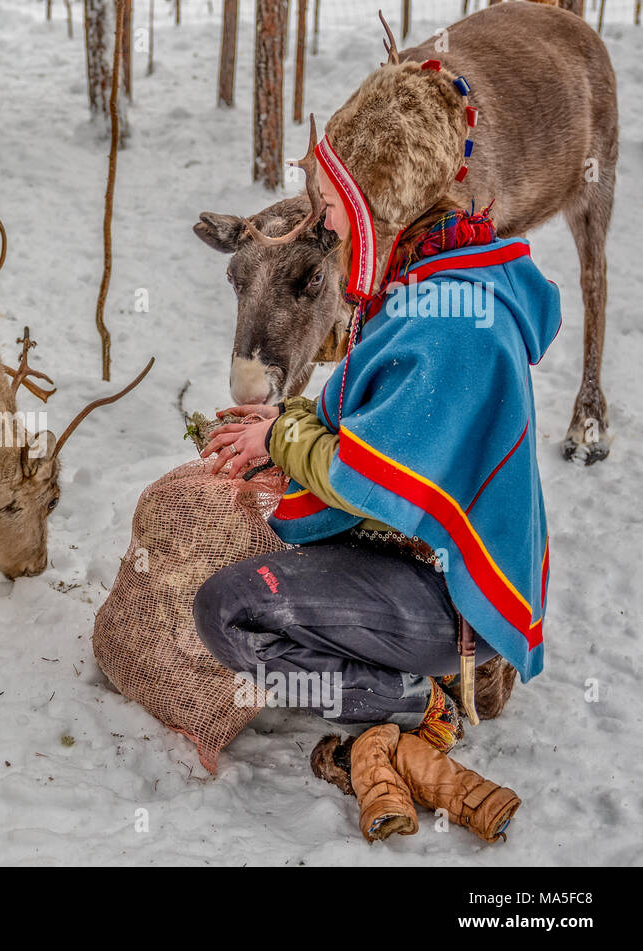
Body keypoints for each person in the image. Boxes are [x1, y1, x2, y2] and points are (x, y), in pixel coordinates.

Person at [192, 56, 560, 777]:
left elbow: (364, 477)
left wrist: (281, 435)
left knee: (227, 610)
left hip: (445, 594)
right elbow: (376, 417)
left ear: (373, 204)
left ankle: (411, 694)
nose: (322, 222)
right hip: (422, 561)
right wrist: (280, 434)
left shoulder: (452, 322)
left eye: (330, 204)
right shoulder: (438, 271)